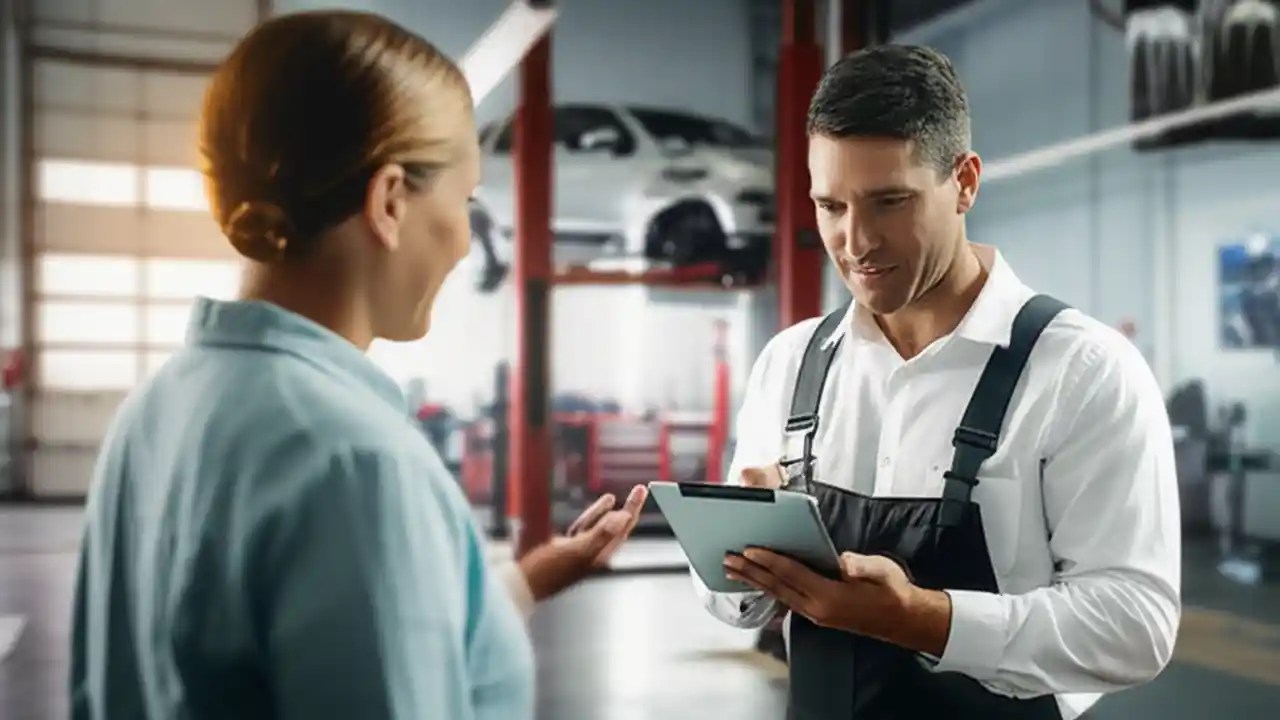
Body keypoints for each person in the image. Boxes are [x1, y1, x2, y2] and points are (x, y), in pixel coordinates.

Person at [69, 11, 647, 720]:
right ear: (391, 200)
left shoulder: (156, 407)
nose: (467, 243)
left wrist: (520, 583)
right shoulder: (353, 460)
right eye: (465, 202)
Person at [694, 45, 1181, 719]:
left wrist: (924, 618)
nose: (856, 241)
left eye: (889, 201)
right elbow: (731, 606)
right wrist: (742, 552)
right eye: (830, 205)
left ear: (966, 182)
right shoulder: (791, 362)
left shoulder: (1083, 372)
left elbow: (1136, 626)